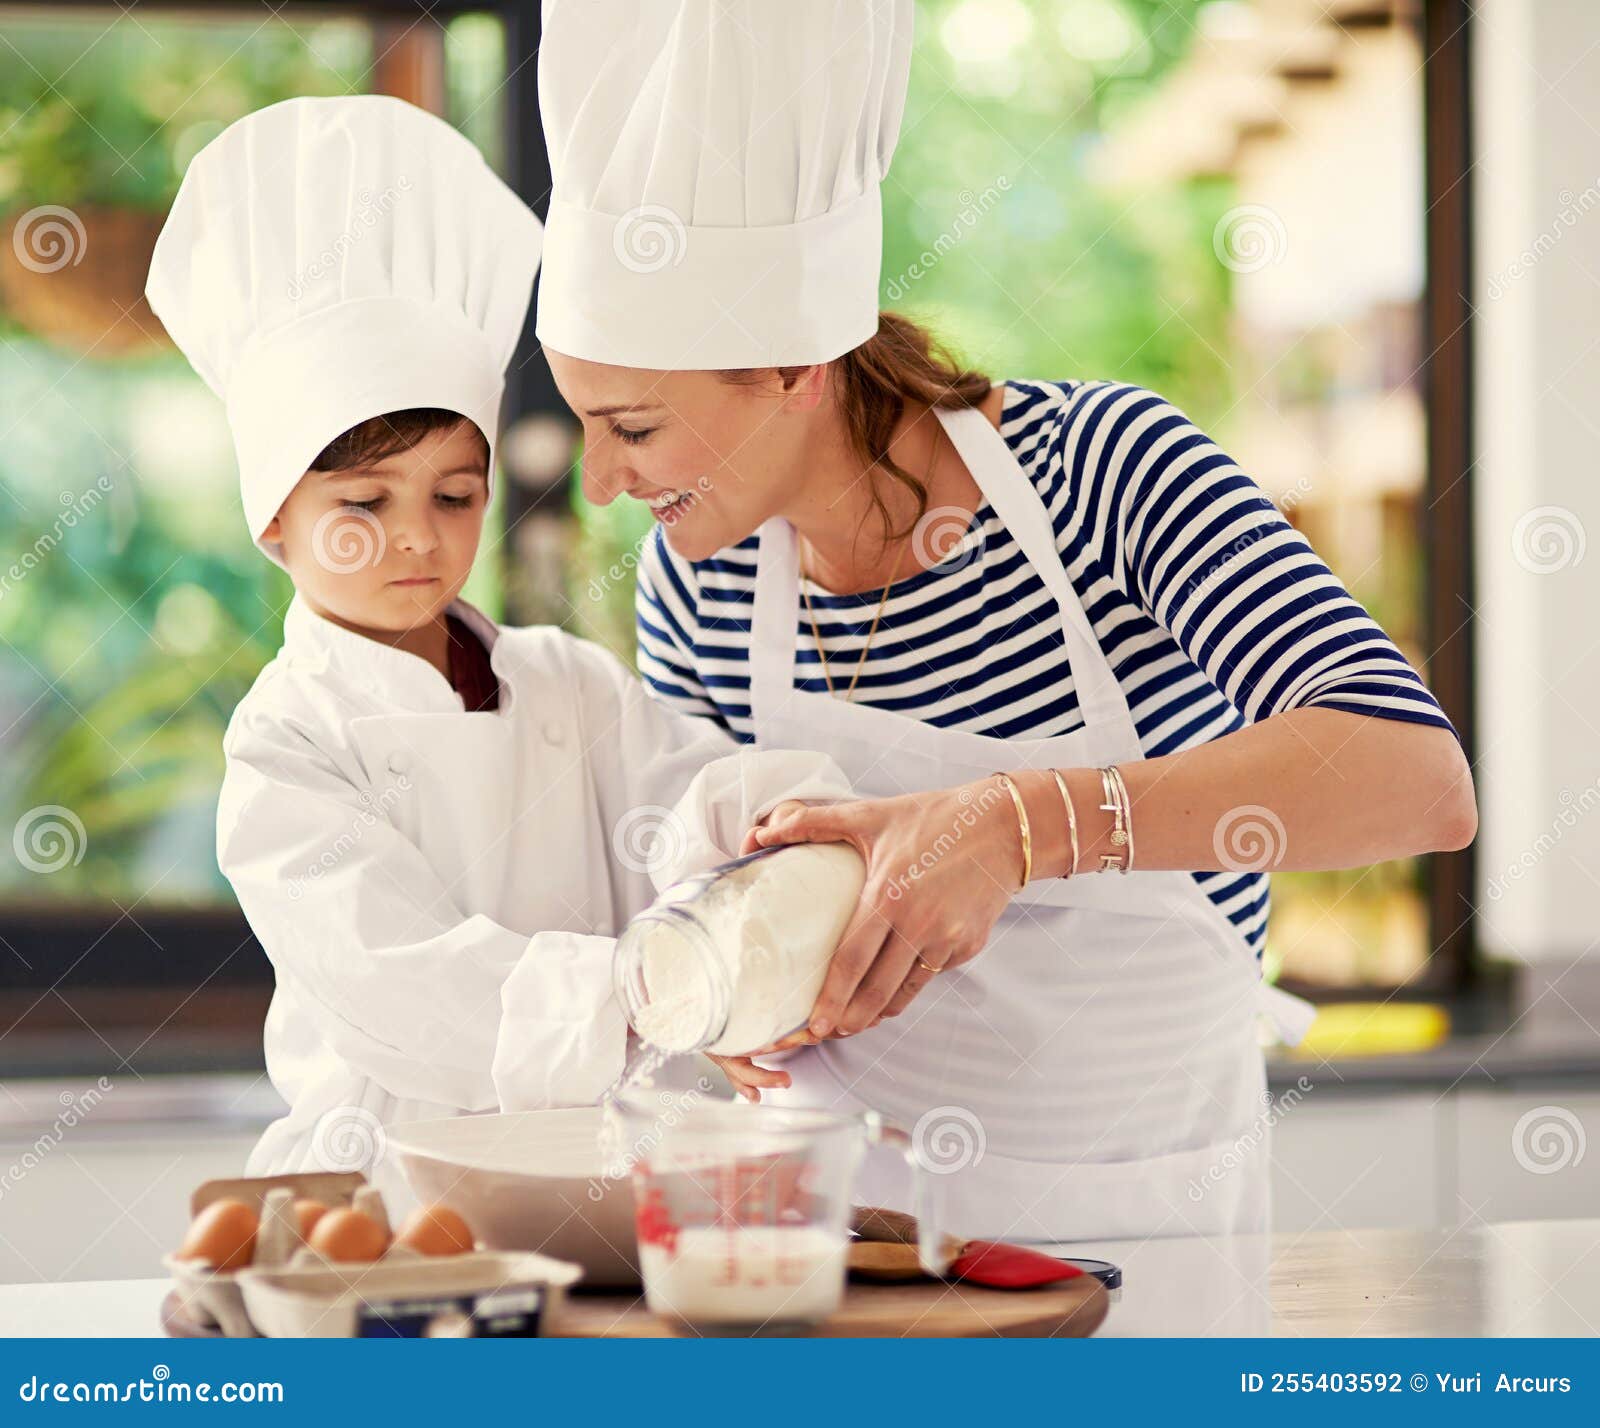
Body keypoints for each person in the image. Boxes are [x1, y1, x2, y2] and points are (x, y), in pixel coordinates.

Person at [531, 0, 1478, 1240]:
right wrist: (724, 1003)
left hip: (1136, 1226)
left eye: (635, 428)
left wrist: (1022, 824)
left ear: (791, 367)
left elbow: (1414, 780)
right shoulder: (698, 583)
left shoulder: (1108, 470)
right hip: (841, 1240)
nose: (601, 484)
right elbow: (715, 879)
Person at [145, 95, 849, 1211]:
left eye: (455, 494)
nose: (418, 536)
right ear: (272, 522)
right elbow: (410, 986)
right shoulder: (284, 747)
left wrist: (792, 833)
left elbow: (687, 808)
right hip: (381, 1200)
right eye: (362, 503)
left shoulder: (566, 682)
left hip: (596, 1177)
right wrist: (648, 991)